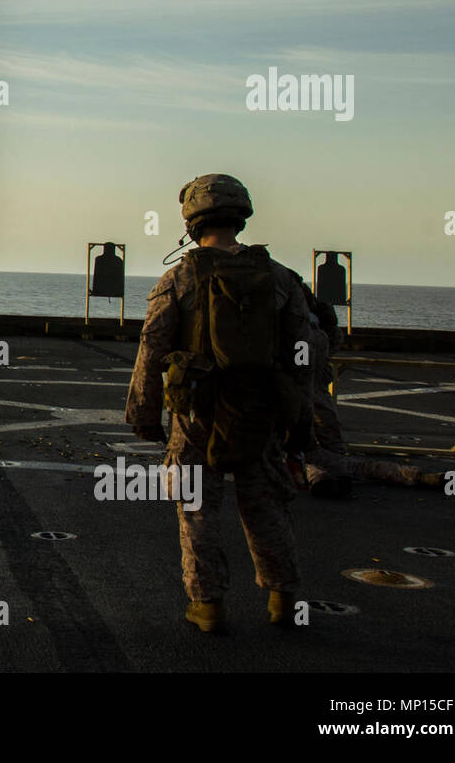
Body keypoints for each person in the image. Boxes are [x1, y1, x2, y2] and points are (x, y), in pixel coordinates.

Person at [125, 174, 313, 634]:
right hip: (261, 412)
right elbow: (304, 353)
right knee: (266, 506)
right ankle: (282, 600)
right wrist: (299, 421)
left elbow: (151, 350)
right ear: (239, 216)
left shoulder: (179, 278)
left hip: (196, 415)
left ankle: (207, 607)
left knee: (197, 510)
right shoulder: (280, 278)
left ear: (192, 219)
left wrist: (144, 416)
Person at [293, 281, 446, 495]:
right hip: (314, 372)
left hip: (295, 389)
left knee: (293, 452)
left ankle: (318, 476)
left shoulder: (285, 307)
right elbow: (333, 336)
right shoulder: (309, 306)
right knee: (329, 442)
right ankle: (411, 475)